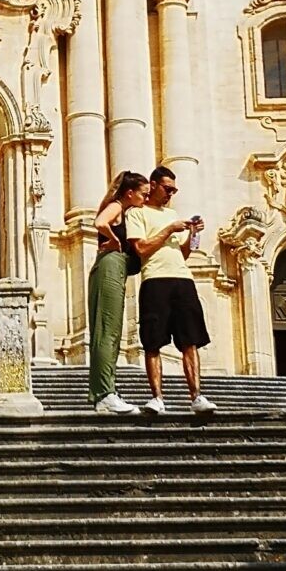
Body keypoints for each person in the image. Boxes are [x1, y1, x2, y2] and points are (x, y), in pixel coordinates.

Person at [127, 166, 217, 419]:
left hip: (182, 279)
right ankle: (157, 397)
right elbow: (141, 249)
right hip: (155, 279)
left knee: (190, 340)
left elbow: (183, 254)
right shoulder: (137, 213)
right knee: (153, 341)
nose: (170, 194)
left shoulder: (172, 214)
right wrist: (169, 229)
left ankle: (196, 396)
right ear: (154, 185)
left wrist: (193, 235)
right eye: (168, 189)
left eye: (174, 191)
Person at [89, 171, 148, 416]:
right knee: (108, 330)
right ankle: (105, 395)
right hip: (110, 266)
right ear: (129, 193)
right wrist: (114, 240)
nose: (145, 198)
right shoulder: (116, 206)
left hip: (114, 268)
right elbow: (99, 222)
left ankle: (106, 392)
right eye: (143, 194)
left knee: (110, 330)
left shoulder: (124, 210)